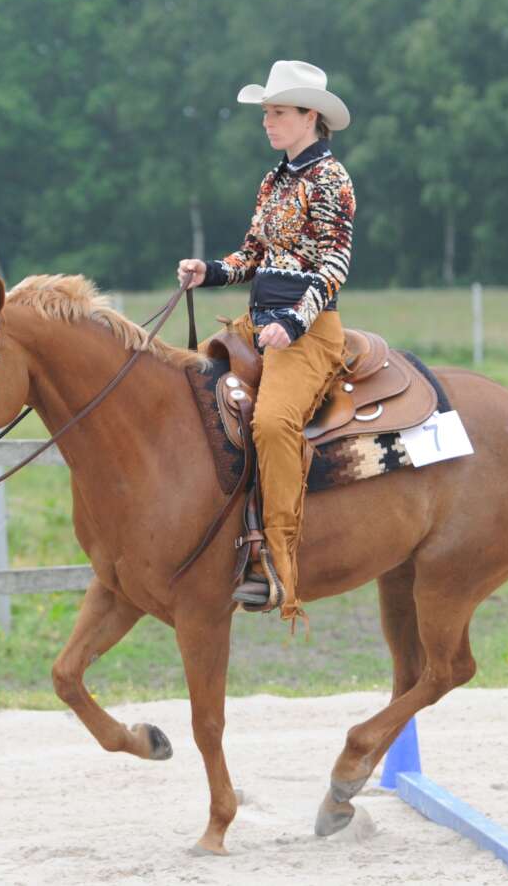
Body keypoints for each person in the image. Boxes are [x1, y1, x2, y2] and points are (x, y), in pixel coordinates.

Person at [177, 60, 355, 624]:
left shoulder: (332, 180)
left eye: (277, 113)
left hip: (306, 330)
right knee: (190, 390)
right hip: (260, 323)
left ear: (310, 117)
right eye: (267, 113)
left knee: (274, 423)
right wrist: (209, 270)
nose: (267, 122)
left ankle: (278, 562)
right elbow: (253, 256)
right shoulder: (274, 180)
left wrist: (296, 324)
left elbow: (334, 264)